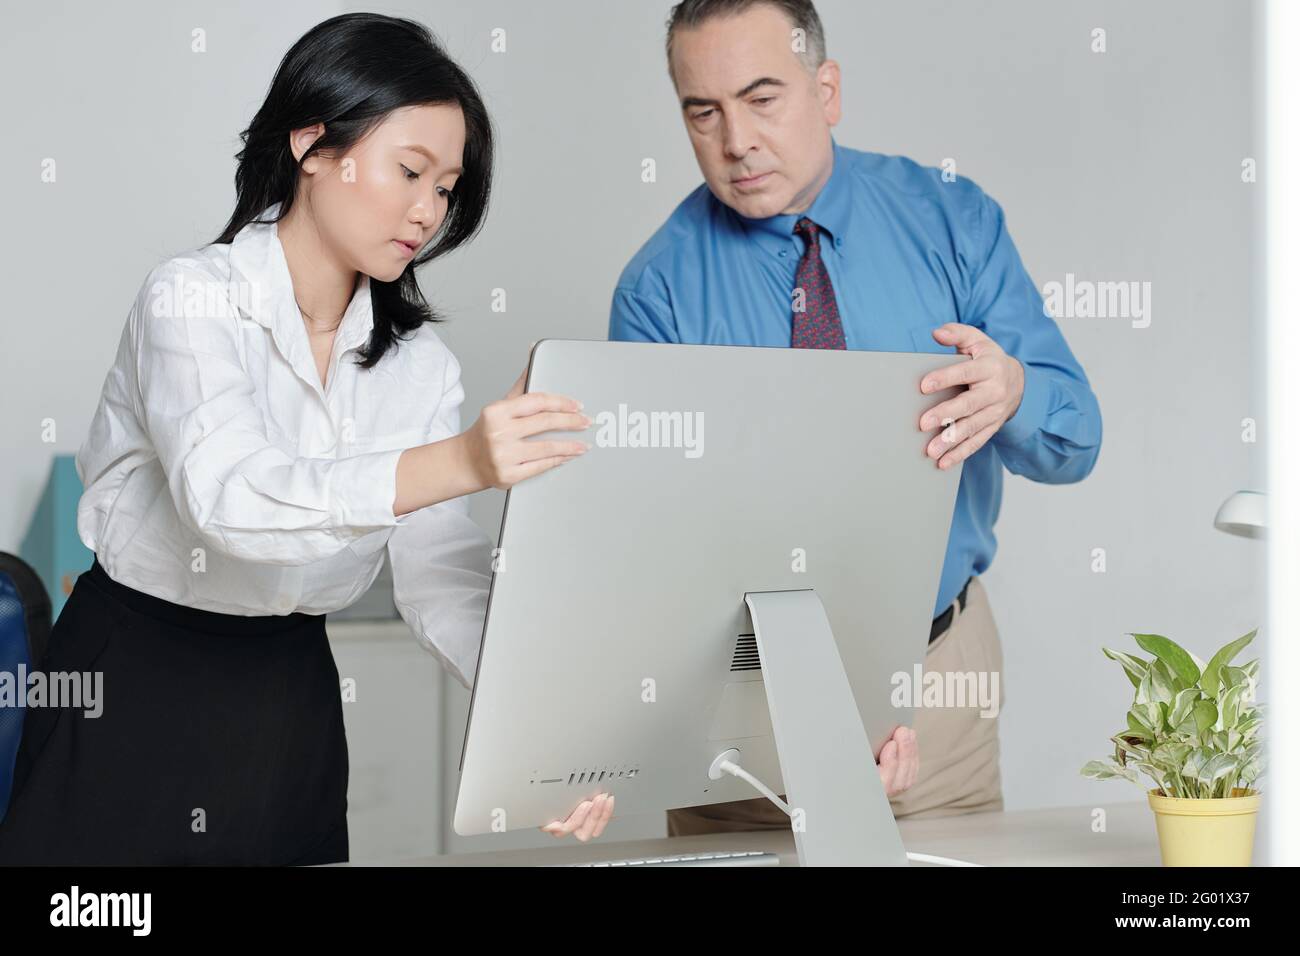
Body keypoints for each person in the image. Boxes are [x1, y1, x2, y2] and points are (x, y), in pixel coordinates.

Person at [0, 13, 607, 866]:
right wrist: (461, 461)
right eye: (410, 171)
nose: (427, 211)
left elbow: (440, 578)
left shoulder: (420, 367)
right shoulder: (191, 299)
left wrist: (544, 736)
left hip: (291, 699)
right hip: (134, 679)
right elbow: (229, 499)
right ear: (312, 144)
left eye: (446, 188)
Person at [609, 0, 1103, 835]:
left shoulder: (954, 220)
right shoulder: (655, 291)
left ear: (826, 90)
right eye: (703, 112)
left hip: (938, 679)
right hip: (737, 697)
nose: (736, 141)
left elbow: (1076, 442)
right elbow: (650, 540)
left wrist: (1015, 392)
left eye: (762, 98)